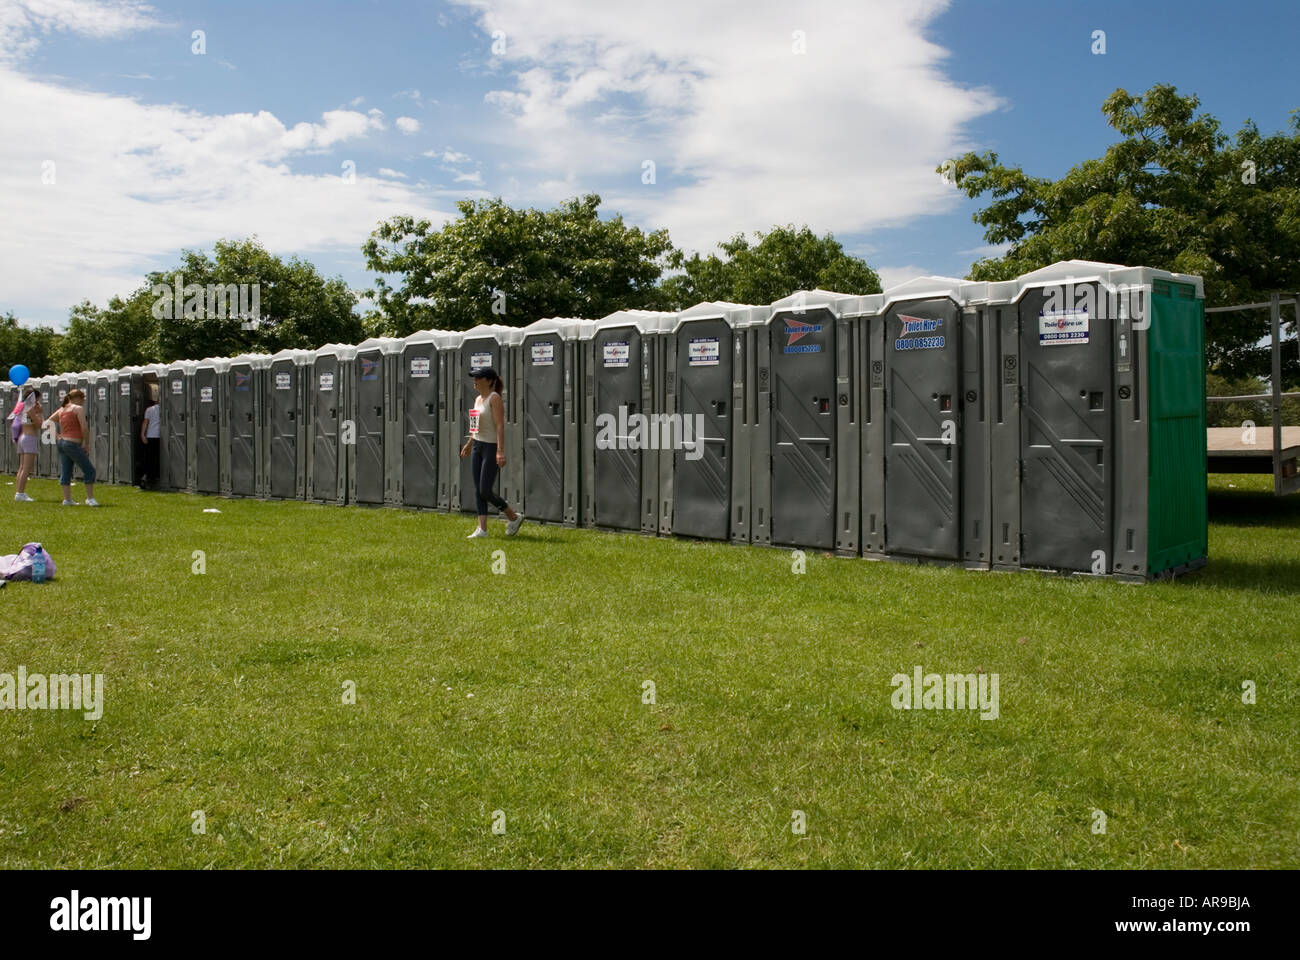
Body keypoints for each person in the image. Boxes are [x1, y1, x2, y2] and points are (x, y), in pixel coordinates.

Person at [459, 366, 524, 538]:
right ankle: (482, 530)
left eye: (478, 378)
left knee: (485, 490)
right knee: (478, 490)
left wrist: (500, 451)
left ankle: (513, 517)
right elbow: (474, 426)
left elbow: (500, 425)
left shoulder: (494, 398)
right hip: (477, 446)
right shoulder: (477, 399)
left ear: (488, 381)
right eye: (474, 378)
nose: (475, 381)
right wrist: (469, 443)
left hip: (490, 447)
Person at [43, 388, 98, 506]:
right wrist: (86, 443)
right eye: (82, 398)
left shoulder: (62, 410)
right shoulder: (78, 409)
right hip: (72, 444)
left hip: (62, 443)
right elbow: (84, 427)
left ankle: (67, 500)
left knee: (66, 471)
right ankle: (90, 498)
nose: (83, 401)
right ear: (77, 398)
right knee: (89, 470)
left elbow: (47, 423)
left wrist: (57, 436)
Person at [13, 386, 41, 501]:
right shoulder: (30, 408)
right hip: (29, 438)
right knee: (27, 468)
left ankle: (19, 491)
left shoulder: (21, 407)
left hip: (22, 437)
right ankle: (20, 493)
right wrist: (40, 413)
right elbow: (39, 425)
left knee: (21, 467)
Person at [139, 390, 161, 489]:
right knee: (156, 459)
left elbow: (145, 422)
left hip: (150, 436)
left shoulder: (149, 410)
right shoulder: (163, 409)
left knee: (149, 459)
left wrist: (142, 435)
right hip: (159, 436)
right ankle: (152, 478)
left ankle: (146, 478)